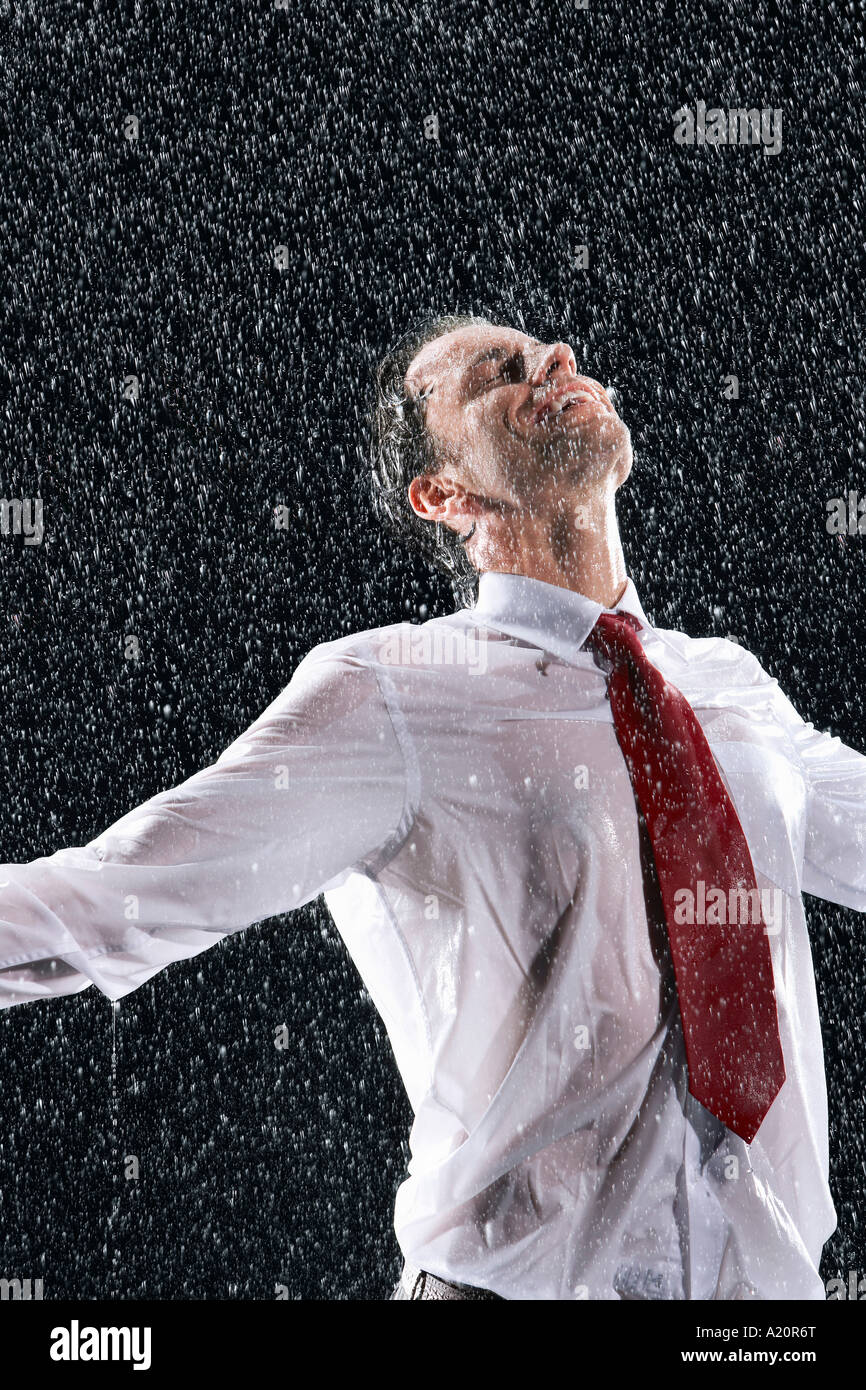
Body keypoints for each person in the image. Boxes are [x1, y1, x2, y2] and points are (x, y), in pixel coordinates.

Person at [0, 312, 862, 1301]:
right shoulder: (390, 691)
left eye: (548, 352)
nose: (548, 364)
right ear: (442, 493)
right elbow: (108, 900)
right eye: (497, 375)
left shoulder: (727, 687)